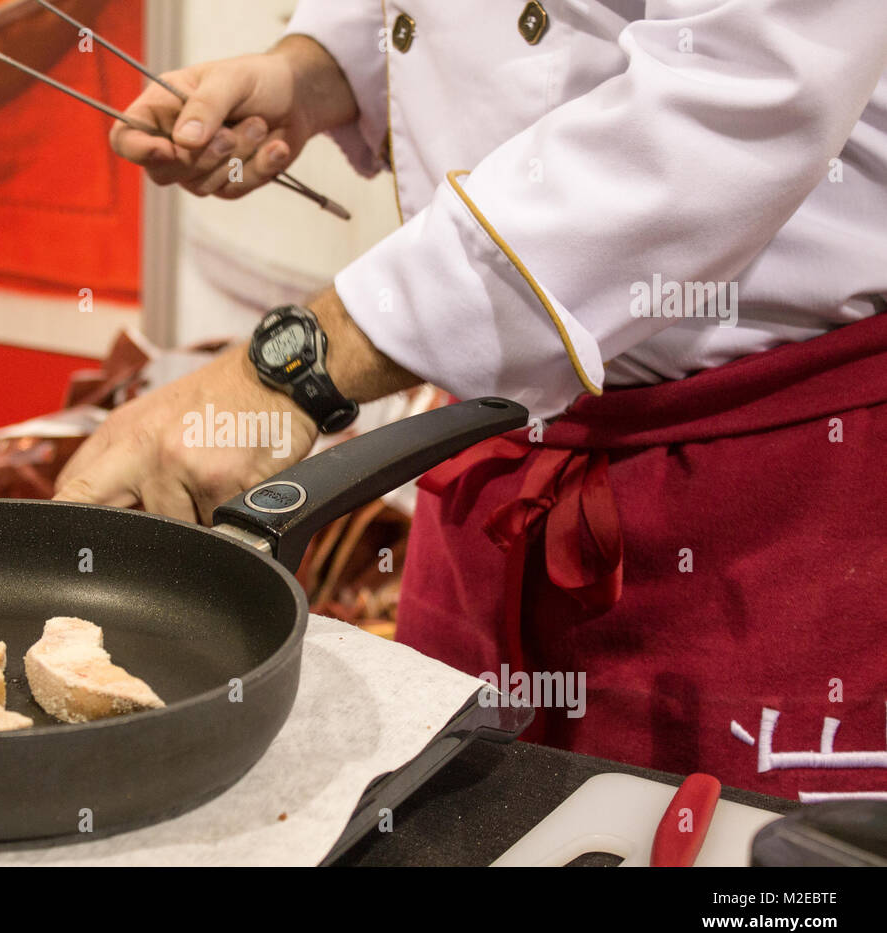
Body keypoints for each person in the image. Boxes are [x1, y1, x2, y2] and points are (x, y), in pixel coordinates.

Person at [54, 1, 887, 801]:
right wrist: (318, 71)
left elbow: (736, 94)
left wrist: (291, 370)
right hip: (493, 448)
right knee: (440, 819)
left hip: (772, 488)